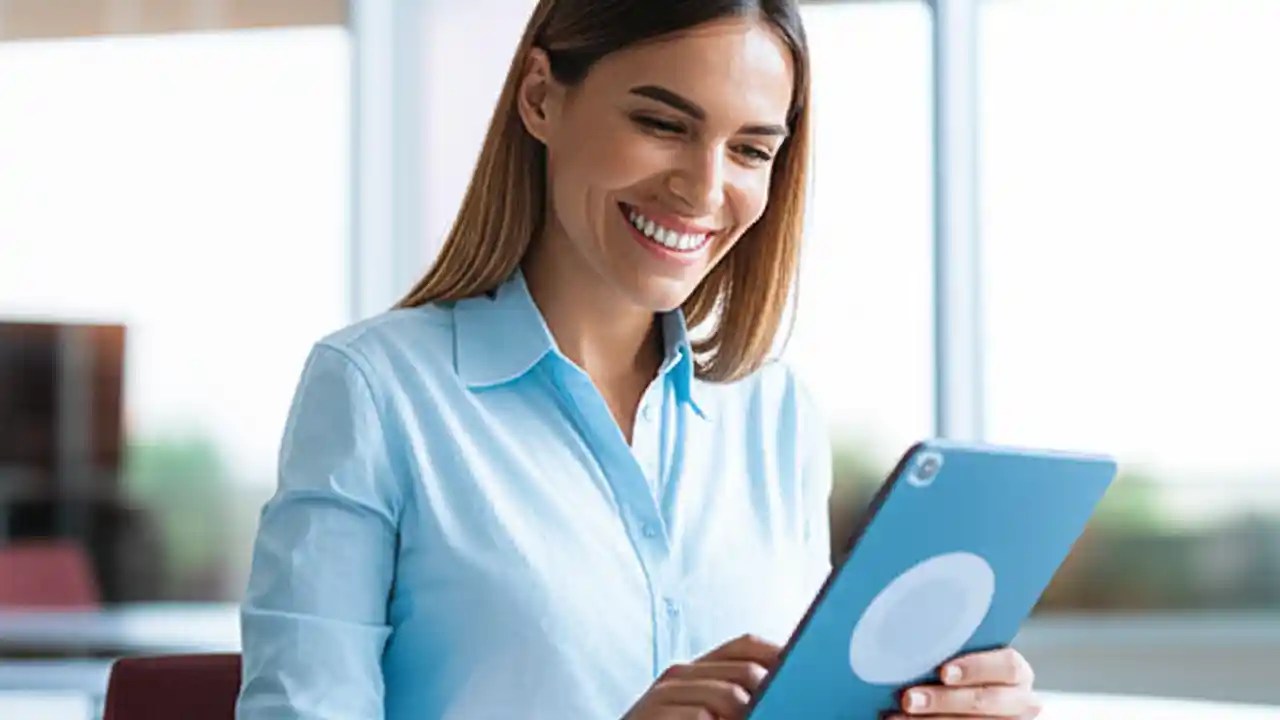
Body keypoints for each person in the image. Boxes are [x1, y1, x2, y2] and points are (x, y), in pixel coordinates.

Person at [236, 1, 1043, 718]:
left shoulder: (776, 413)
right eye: (663, 124)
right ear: (541, 97)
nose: (702, 189)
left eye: (751, 151)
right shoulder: (378, 392)